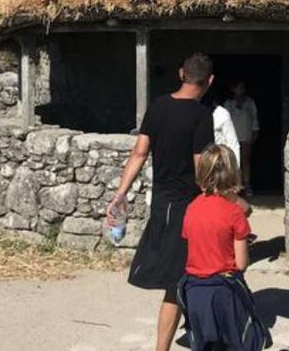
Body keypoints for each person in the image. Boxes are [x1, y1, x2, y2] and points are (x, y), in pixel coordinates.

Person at [106, 53, 216, 351]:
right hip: (190, 206)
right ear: (210, 81)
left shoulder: (158, 107)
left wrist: (120, 194)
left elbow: (139, 153)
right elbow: (200, 165)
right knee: (181, 280)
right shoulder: (202, 115)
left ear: (181, 73)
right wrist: (220, 200)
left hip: (163, 202)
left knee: (184, 277)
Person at [177, 144, 269, 351]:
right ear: (233, 173)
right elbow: (242, 263)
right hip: (224, 291)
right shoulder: (234, 213)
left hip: (194, 290)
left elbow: (194, 245)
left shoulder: (191, 209)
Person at [223, 81, 259, 190]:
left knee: (245, 160)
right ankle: (233, 184)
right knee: (232, 161)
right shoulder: (228, 104)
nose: (241, 89)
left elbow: (254, 117)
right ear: (233, 89)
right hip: (232, 137)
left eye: (243, 87)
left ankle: (246, 183)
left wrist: (255, 131)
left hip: (246, 135)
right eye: (239, 87)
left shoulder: (249, 102)